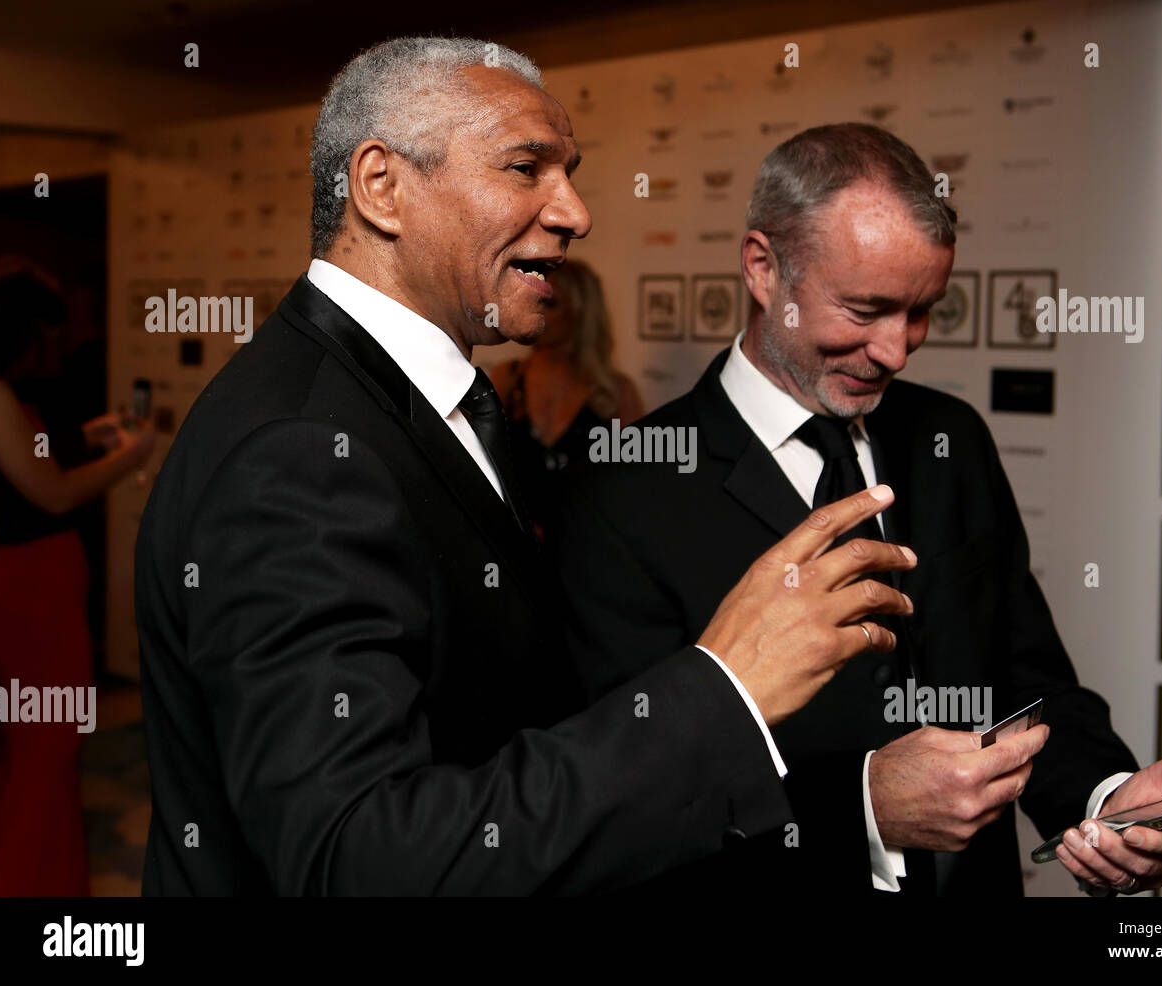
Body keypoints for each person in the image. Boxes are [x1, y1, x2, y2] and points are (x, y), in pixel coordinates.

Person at [134, 38, 916, 896]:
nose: (576, 212)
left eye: (569, 172)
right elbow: (353, 857)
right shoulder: (297, 451)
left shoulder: (426, 405)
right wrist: (722, 690)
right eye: (524, 169)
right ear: (381, 187)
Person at [554, 123, 1162, 897]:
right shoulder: (625, 489)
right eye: (866, 310)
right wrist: (862, 810)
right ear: (764, 268)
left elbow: (1023, 675)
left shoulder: (951, 438)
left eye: (922, 311)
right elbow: (630, 798)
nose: (897, 352)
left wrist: (1106, 799)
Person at [0, 260, 154, 895]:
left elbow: (33, 456)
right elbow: (51, 494)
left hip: (38, 596)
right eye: (50, 334)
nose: (58, 346)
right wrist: (130, 456)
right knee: (46, 750)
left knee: (36, 752)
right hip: (29, 602)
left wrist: (94, 435)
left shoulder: (10, 395)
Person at [489, 259, 643, 536]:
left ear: (579, 313)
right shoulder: (507, 380)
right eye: (533, 297)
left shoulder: (615, 393)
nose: (535, 308)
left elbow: (635, 486)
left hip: (590, 551)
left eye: (550, 303)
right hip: (516, 550)